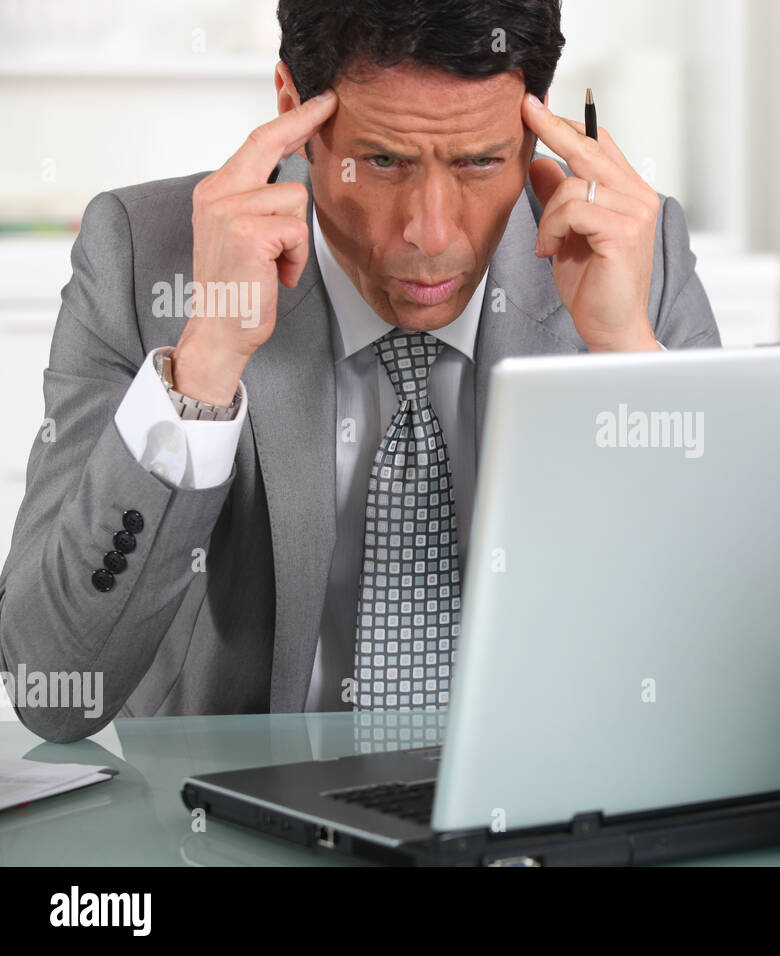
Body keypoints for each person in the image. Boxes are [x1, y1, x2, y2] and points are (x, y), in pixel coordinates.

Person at [0, 0, 720, 743]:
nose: (432, 235)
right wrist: (204, 364)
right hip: (233, 834)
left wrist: (627, 356)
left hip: (549, 814)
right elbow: (53, 693)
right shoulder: (144, 257)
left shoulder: (636, 257)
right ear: (295, 110)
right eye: (383, 161)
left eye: (480, 162)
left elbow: (730, 660)